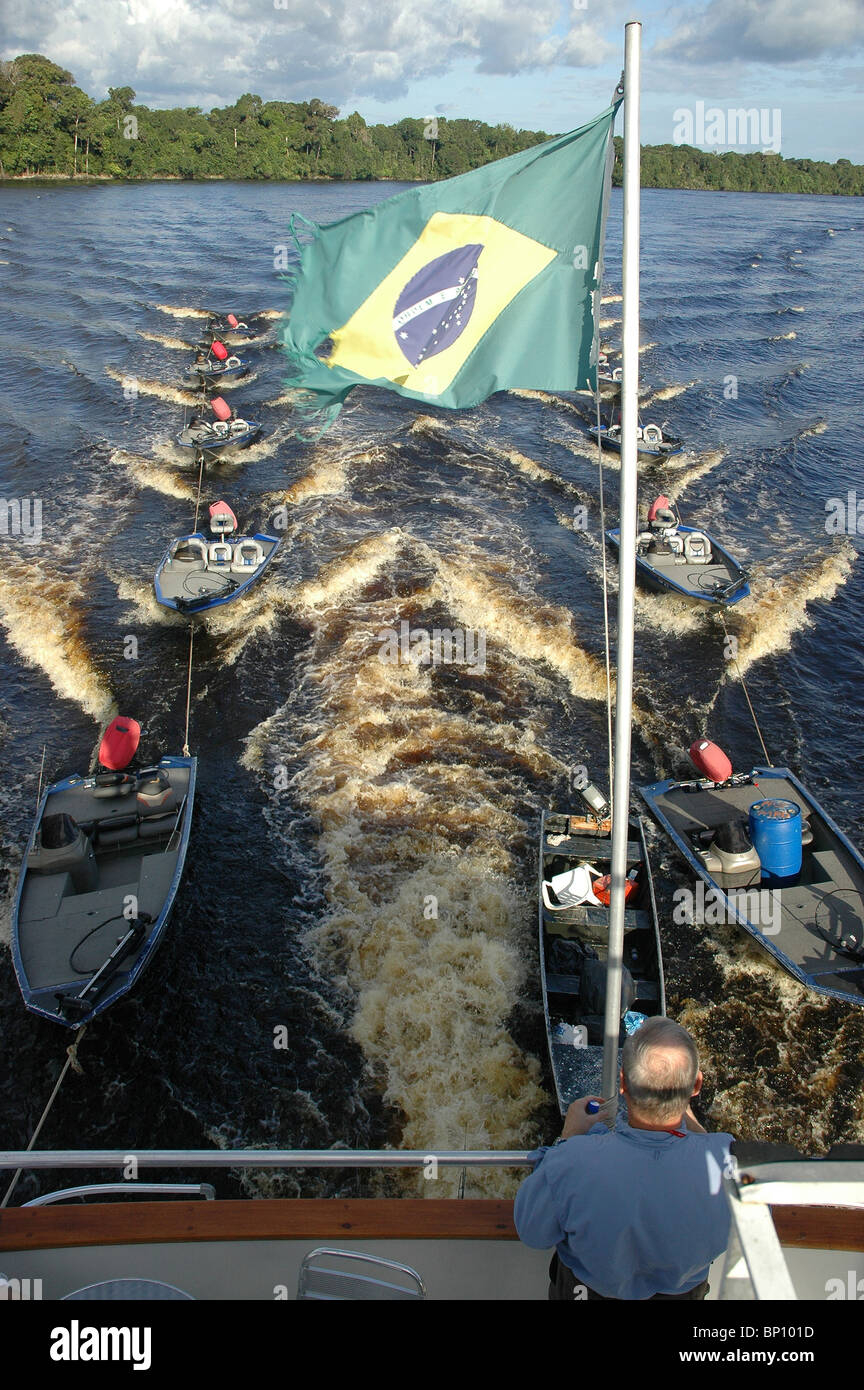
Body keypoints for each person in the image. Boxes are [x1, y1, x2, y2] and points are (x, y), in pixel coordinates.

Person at [514, 1017, 733, 1300]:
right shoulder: (728, 1161)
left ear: (621, 1083)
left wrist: (567, 1136)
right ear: (696, 1085)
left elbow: (533, 1232)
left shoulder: (572, 1162)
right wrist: (684, 1115)